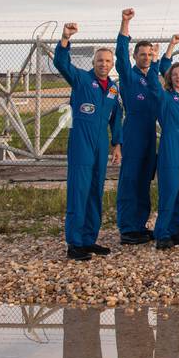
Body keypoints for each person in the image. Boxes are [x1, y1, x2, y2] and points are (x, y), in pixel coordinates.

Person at [53, 23, 122, 261]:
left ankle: (89, 239)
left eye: (108, 61)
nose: (104, 64)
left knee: (95, 191)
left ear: (112, 65)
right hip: (82, 141)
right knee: (79, 190)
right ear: (93, 63)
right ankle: (74, 243)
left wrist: (117, 144)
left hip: (101, 144)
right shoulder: (81, 80)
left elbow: (116, 116)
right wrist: (64, 39)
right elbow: (61, 64)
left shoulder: (113, 89)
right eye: (100, 60)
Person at [143, 40, 179, 249]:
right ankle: (162, 232)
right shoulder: (165, 97)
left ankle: (176, 229)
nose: (178, 77)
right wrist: (155, 59)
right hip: (170, 149)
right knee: (170, 191)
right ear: (170, 78)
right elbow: (151, 80)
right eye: (174, 74)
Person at [114, 9, 160, 244]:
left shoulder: (152, 77)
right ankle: (127, 228)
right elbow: (120, 54)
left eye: (149, 54)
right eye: (141, 54)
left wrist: (163, 54)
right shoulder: (129, 76)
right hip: (133, 132)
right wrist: (125, 23)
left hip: (149, 134)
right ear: (135, 56)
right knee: (130, 179)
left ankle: (140, 224)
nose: (145, 57)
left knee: (144, 179)